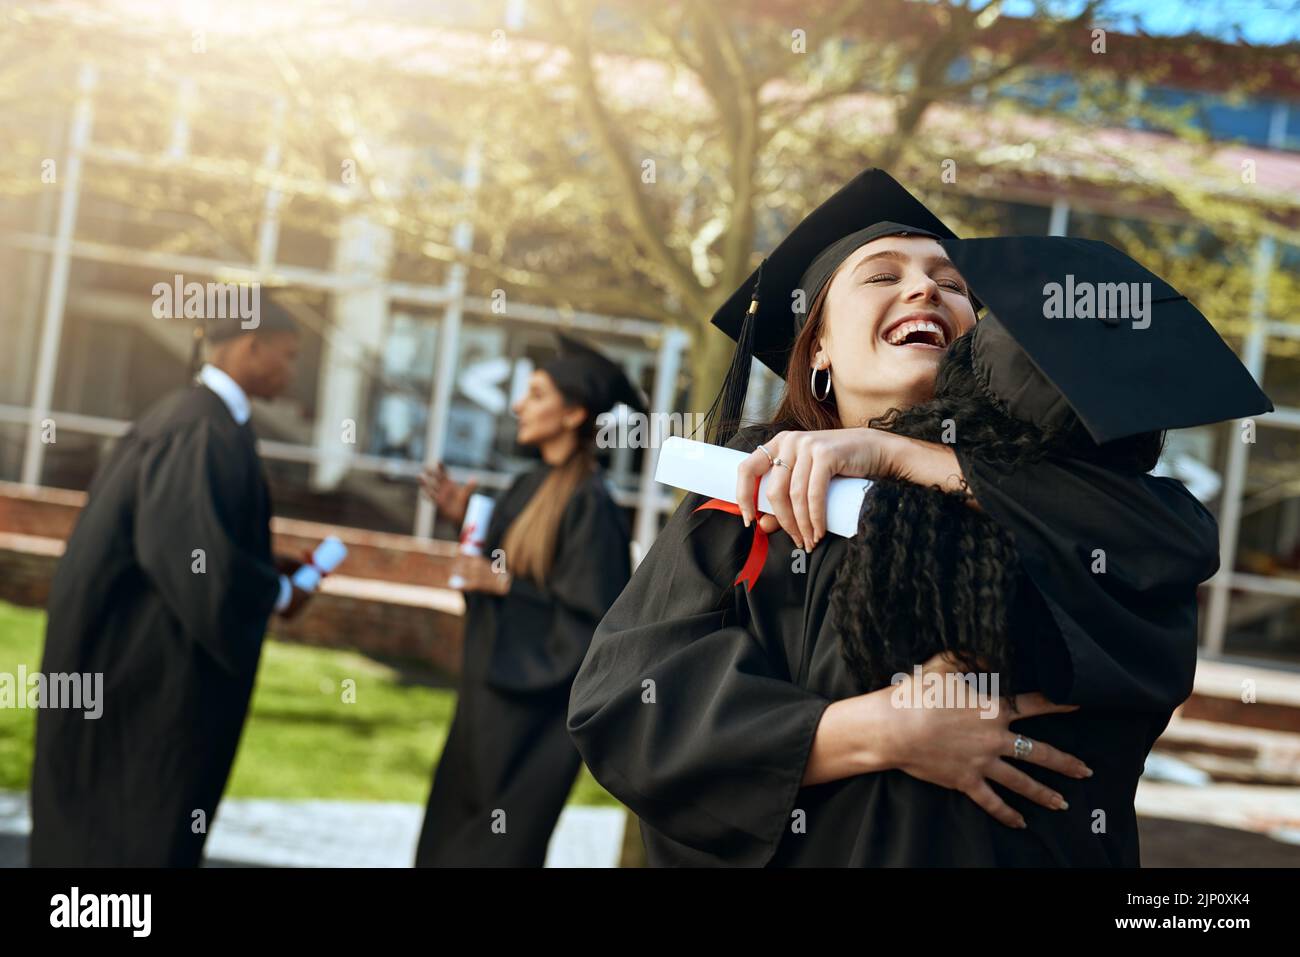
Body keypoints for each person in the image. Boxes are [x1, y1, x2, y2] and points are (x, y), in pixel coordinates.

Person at [567, 170, 1271, 866]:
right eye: (881, 275)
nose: (926, 288)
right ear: (819, 349)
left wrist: (902, 457)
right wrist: (877, 730)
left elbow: (1161, 551)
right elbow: (627, 704)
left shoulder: (1079, 490)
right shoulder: (751, 489)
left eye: (953, 283)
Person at [30, 299, 311, 867]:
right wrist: (279, 593)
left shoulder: (187, 419)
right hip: (143, 679)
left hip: (126, 666)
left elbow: (183, 540)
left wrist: (260, 559)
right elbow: (196, 563)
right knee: (127, 837)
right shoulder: (201, 431)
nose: (292, 371)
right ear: (250, 345)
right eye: (287, 355)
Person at [414, 333, 643, 867]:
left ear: (573, 413)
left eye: (536, 395)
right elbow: (506, 568)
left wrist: (504, 586)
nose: (518, 404)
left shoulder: (594, 509)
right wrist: (467, 519)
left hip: (532, 731)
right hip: (483, 713)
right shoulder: (526, 487)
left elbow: (592, 629)